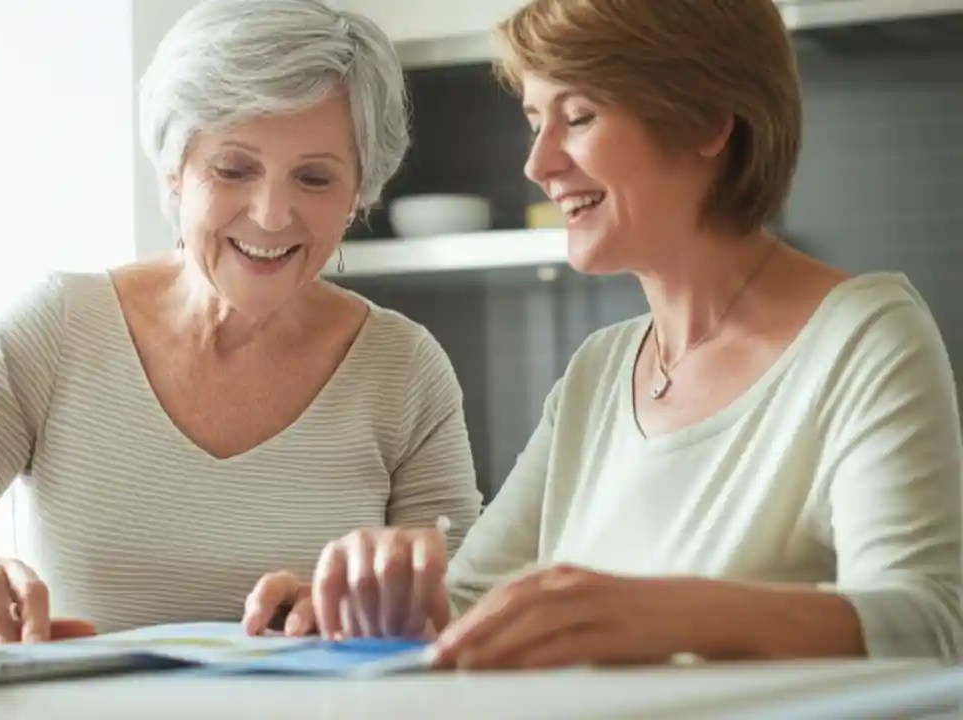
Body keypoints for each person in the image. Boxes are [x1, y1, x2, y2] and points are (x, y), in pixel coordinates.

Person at [295, 0, 963, 666]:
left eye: (579, 118)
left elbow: (929, 620)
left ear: (707, 122)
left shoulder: (864, 337)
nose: (538, 163)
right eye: (534, 123)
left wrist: (676, 613)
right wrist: (350, 603)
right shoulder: (600, 369)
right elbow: (469, 603)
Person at [0, 0, 481, 644]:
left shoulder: (404, 367)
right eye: (234, 169)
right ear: (176, 168)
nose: (272, 213)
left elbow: (463, 602)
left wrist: (356, 606)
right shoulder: (56, 332)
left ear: (358, 194)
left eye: (314, 178)